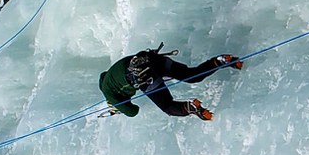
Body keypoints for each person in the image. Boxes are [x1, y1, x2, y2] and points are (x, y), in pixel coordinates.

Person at [98, 46, 244, 120]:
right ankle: (220, 61)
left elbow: (132, 111)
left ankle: (191, 107)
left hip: (142, 75)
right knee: (192, 75)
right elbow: (103, 75)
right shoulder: (106, 79)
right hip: (148, 58)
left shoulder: (110, 95)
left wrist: (119, 107)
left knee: (168, 106)